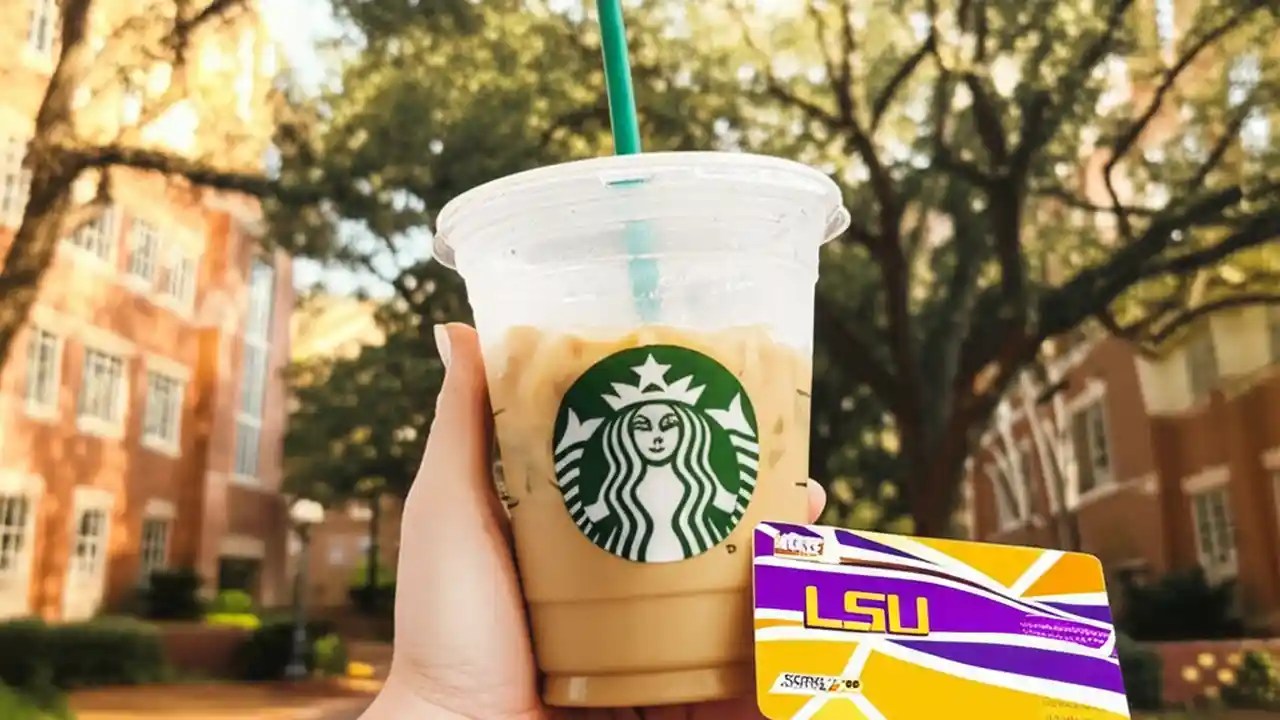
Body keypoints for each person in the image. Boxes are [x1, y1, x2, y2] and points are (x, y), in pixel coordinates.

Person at [360, 324, 827, 720]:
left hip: (752, 663)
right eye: (642, 427)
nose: (657, 438)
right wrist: (444, 704)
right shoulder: (612, 500)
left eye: (670, 426)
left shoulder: (702, 488)